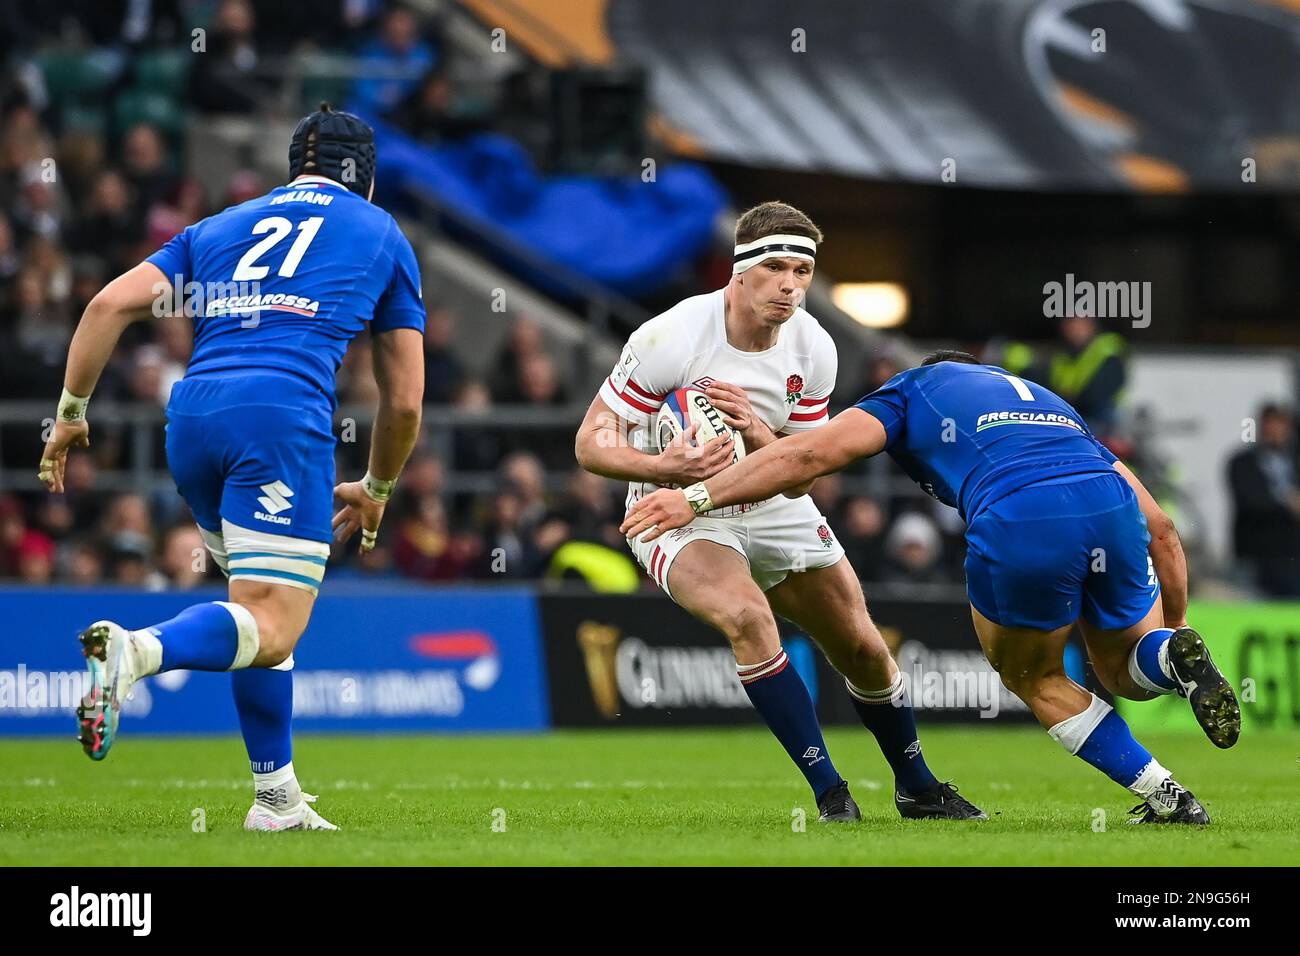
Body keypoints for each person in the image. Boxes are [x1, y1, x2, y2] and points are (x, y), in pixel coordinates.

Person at [624, 350, 1241, 825]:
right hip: (1106, 503)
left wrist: (697, 496)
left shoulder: (914, 391)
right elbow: (1162, 528)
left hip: (1020, 513)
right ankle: (1172, 658)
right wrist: (1177, 624)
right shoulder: (1051, 403)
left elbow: (810, 459)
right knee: (1124, 674)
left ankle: (1169, 795)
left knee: (1036, 677)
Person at [37, 104, 426, 831]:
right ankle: (132, 653)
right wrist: (377, 488)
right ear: (365, 178)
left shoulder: (219, 225)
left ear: (293, 170)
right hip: (278, 419)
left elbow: (105, 305)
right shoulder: (381, 233)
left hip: (192, 420)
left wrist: (70, 412)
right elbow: (404, 404)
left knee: (255, 608)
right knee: (272, 622)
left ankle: (274, 799)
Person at [577, 203, 983, 823]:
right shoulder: (673, 336)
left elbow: (809, 473)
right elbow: (590, 443)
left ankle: (918, 788)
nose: (791, 284)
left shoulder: (815, 347)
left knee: (865, 650)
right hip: (681, 511)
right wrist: (668, 471)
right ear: (739, 272)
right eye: (775, 268)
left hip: (772, 501)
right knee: (748, 617)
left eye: (802, 269)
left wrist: (761, 432)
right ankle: (831, 794)